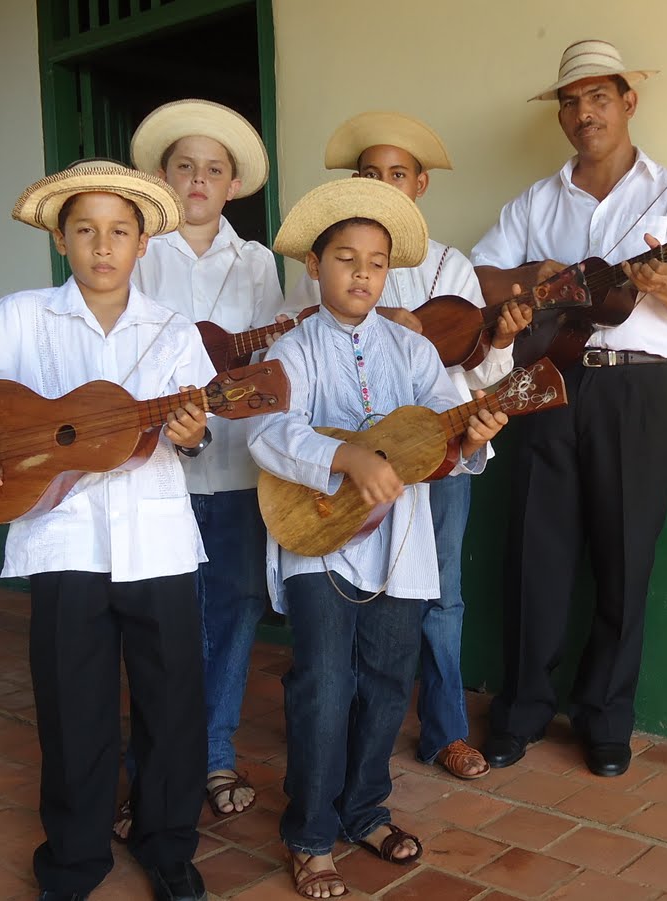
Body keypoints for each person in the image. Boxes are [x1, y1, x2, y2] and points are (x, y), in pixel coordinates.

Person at [0, 160, 212, 901]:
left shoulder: (174, 332)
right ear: (61, 242)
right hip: (63, 538)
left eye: (119, 232)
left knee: (172, 705)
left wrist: (196, 431)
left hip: (159, 541)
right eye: (85, 231)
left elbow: (200, 438)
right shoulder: (20, 317)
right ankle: (75, 859)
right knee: (73, 707)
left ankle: (167, 844)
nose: (102, 246)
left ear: (144, 245)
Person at [471, 39, 667, 778]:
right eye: (571, 102)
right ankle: (520, 711)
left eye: (599, 99)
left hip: (637, 391)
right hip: (546, 382)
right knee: (535, 552)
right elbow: (480, 275)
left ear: (628, 103)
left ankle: (606, 718)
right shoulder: (535, 200)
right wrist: (533, 274)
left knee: (624, 557)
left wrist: (657, 280)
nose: (585, 114)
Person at [249, 178, 509, 898]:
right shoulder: (293, 348)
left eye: (376, 261)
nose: (362, 273)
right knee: (324, 686)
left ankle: (363, 809)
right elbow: (269, 429)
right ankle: (308, 833)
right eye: (345, 258)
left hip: (399, 544)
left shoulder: (413, 350)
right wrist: (347, 456)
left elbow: (443, 428)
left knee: (390, 683)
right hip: (314, 540)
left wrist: (473, 434)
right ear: (313, 265)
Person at [287, 111, 531, 780]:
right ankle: (341, 733)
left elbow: (477, 376)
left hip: (439, 452)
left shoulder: (450, 265)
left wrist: (500, 347)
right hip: (344, 458)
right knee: (346, 591)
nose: (386, 184)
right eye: (371, 174)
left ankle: (443, 730)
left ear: (420, 184)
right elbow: (294, 355)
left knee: (439, 593)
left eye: (398, 174)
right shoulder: (323, 265)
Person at [116, 98, 281, 826]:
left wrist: (231, 385)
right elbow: (126, 350)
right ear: (162, 174)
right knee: (163, 619)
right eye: (185, 166)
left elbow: (266, 359)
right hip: (159, 468)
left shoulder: (258, 262)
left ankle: (213, 752)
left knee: (237, 609)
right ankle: (149, 766)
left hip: (239, 465)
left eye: (214, 169)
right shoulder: (140, 253)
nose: (198, 180)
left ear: (233, 184)